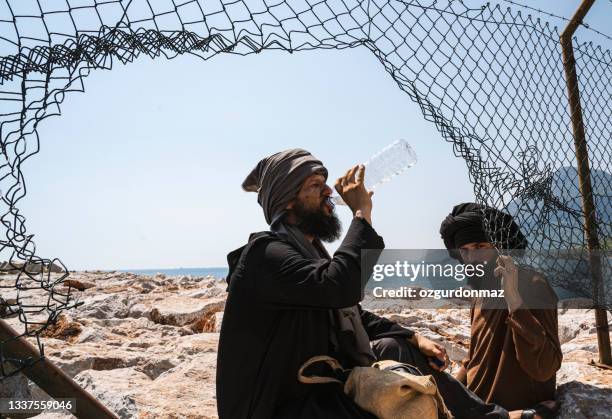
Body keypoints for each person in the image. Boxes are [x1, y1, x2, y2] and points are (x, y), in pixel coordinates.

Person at [216, 149, 542, 419]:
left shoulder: (306, 254)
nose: (330, 192)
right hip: (280, 405)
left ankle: (489, 417)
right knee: (402, 406)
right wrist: (361, 213)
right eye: (316, 185)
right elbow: (338, 287)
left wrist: (414, 336)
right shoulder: (265, 255)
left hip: (313, 388)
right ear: (288, 201)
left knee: (396, 348)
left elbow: (353, 312)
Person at [440, 203, 562, 419]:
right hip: (477, 409)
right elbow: (475, 359)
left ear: (499, 246)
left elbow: (545, 366)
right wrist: (447, 396)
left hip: (515, 409)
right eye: (465, 251)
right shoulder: (480, 293)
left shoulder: (533, 285)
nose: (472, 259)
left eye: (480, 246)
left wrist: (513, 298)